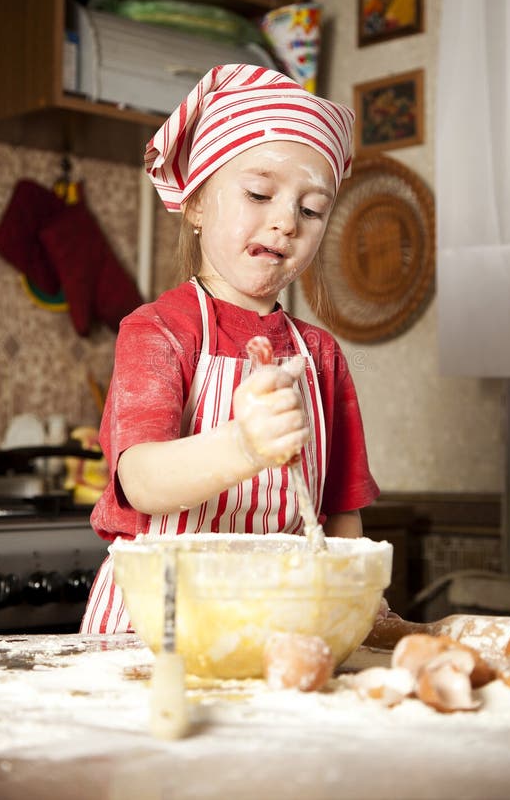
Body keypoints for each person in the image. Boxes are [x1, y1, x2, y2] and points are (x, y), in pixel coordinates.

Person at [81, 64, 379, 634]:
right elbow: (141, 481)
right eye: (259, 193)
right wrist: (243, 445)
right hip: (158, 625)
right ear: (196, 203)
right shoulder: (158, 331)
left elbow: (342, 511)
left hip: (276, 621)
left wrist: (354, 607)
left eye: (311, 209)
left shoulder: (320, 354)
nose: (286, 221)